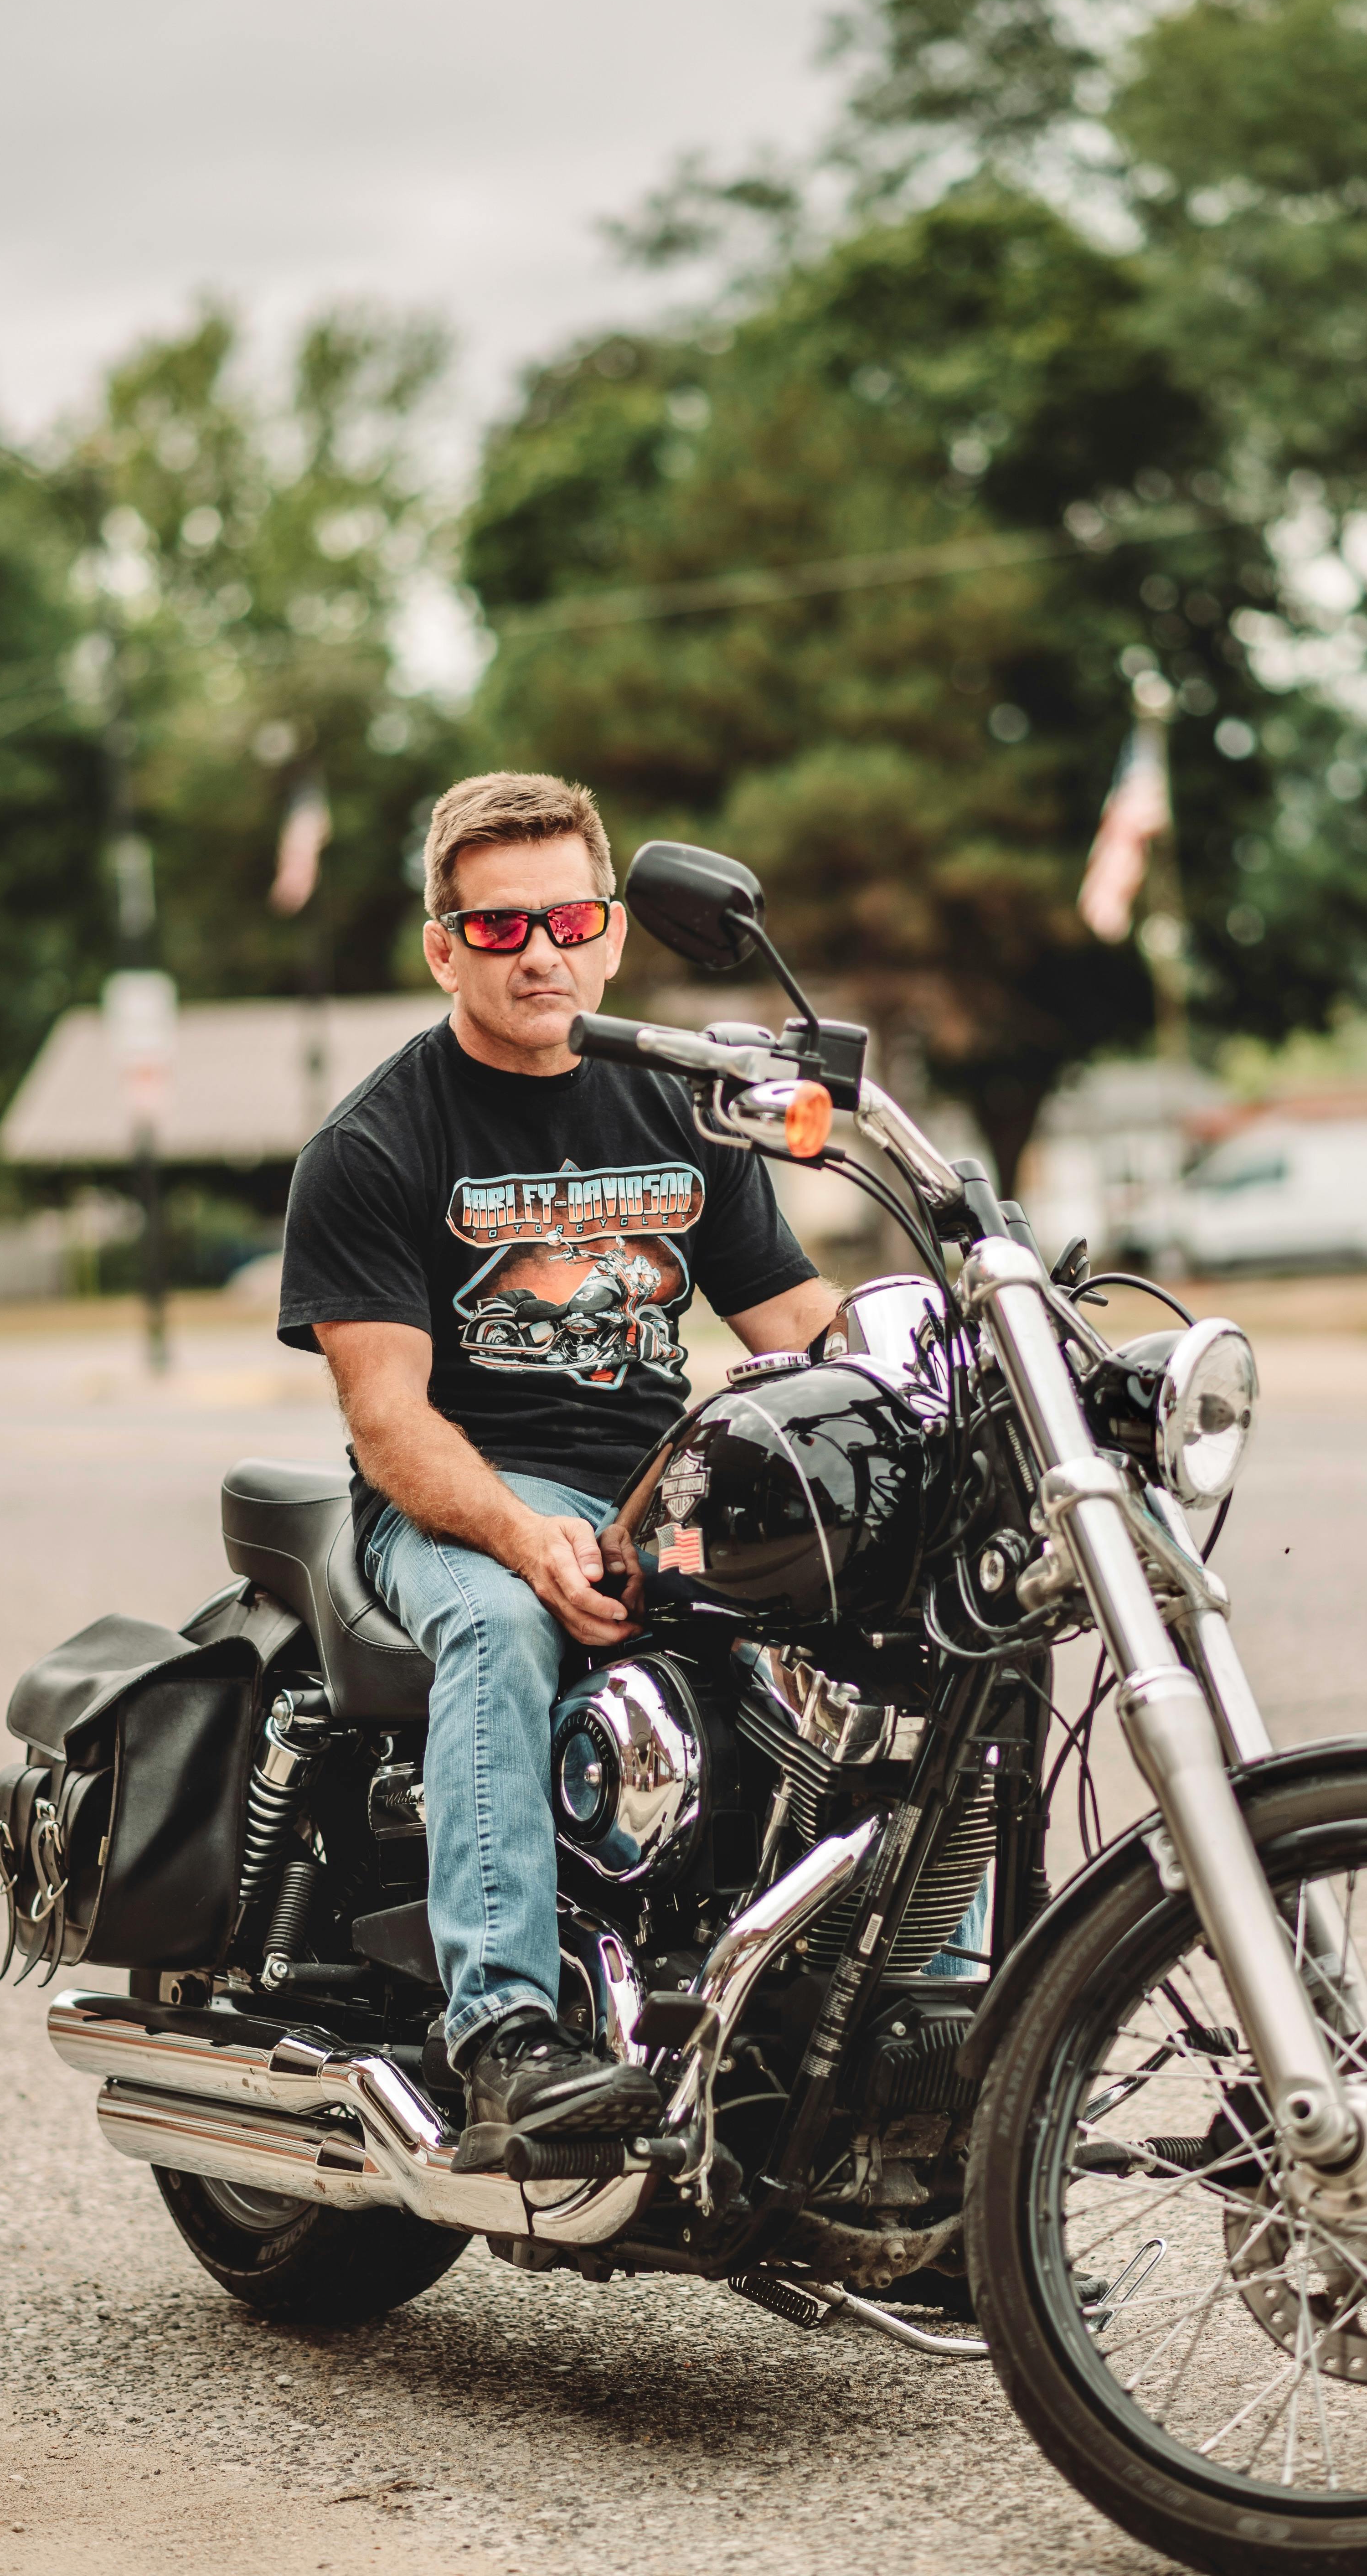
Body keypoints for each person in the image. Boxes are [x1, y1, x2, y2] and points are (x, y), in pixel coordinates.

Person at [278, 772, 839, 2150]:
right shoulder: (375, 1142)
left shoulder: (680, 1109)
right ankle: (506, 2034)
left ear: (612, 935)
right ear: (444, 948)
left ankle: (903, 2011)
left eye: (570, 920)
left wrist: (953, 1353)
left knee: (903, 1620)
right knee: (502, 1626)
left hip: (660, 1493)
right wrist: (522, 1538)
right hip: (465, 1499)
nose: (540, 952)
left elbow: (798, 1325)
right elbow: (390, 1422)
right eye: (499, 927)